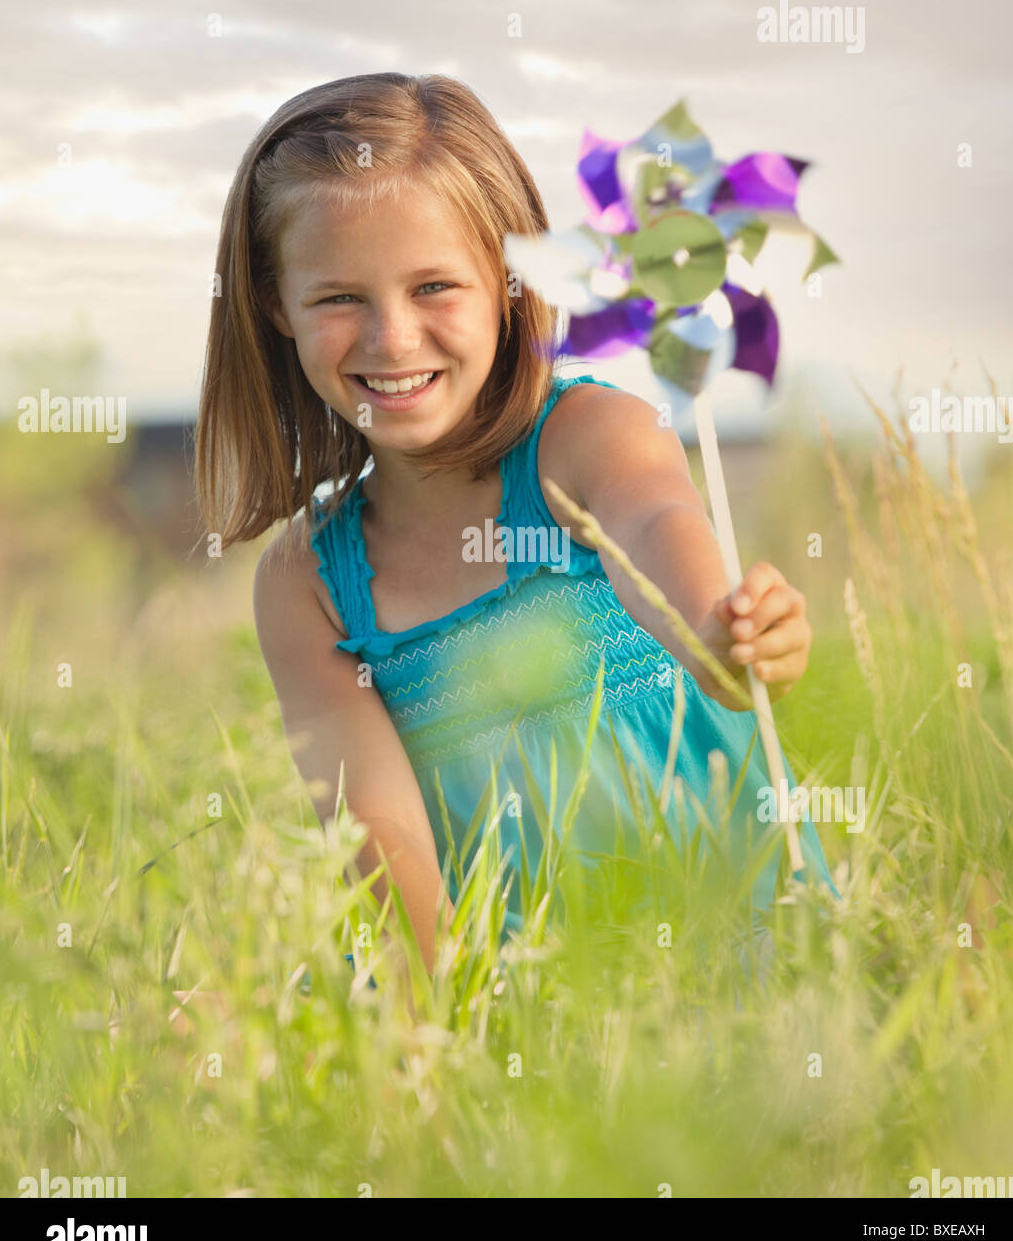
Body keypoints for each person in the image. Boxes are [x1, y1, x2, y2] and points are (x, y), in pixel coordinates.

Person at [194, 72, 838, 984]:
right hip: (522, 1002)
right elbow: (378, 844)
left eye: (433, 286)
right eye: (339, 298)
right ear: (272, 304)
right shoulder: (306, 582)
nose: (392, 337)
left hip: (728, 957)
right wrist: (436, 1054)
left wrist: (721, 633)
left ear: (508, 280)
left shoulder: (587, 441)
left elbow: (656, 520)